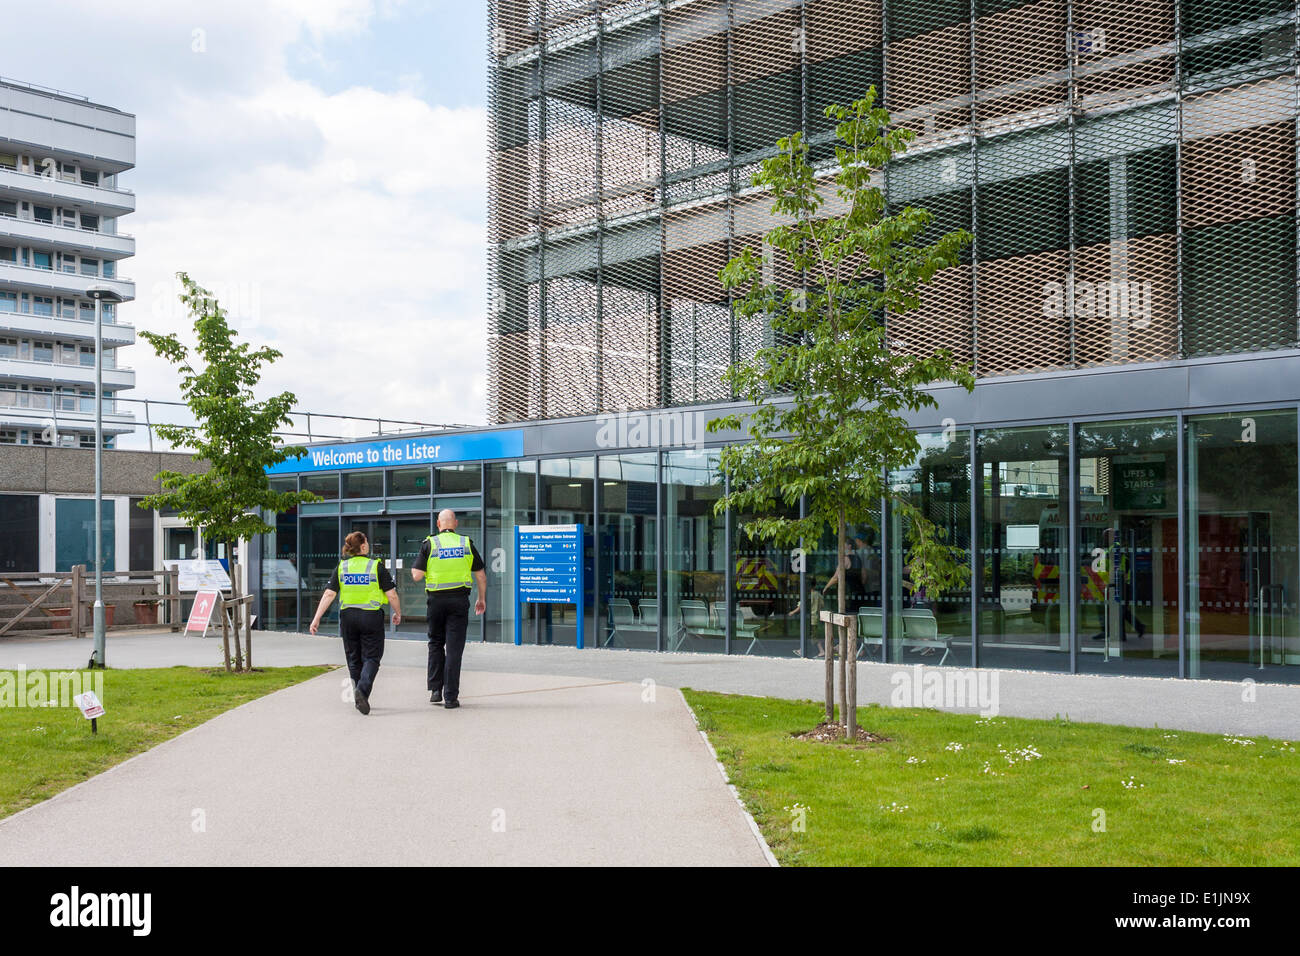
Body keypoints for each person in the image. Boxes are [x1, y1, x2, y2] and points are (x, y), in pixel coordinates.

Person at [309, 530, 401, 716]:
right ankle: (362, 690)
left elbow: (329, 594)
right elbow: (391, 594)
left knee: (353, 658)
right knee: (372, 657)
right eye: (366, 541)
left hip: (348, 617)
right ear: (363, 546)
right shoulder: (376, 566)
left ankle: (359, 694)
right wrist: (398, 612)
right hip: (370, 617)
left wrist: (316, 617)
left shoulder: (342, 567)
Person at [412, 509, 487, 709]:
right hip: (459, 601)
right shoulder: (466, 543)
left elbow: (417, 576)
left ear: (438, 524)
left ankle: (436, 690)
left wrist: (428, 567)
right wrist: (481, 598)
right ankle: (451, 697)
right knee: (454, 649)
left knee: (435, 643)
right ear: (455, 523)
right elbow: (480, 574)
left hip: (436, 601)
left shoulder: (429, 544)